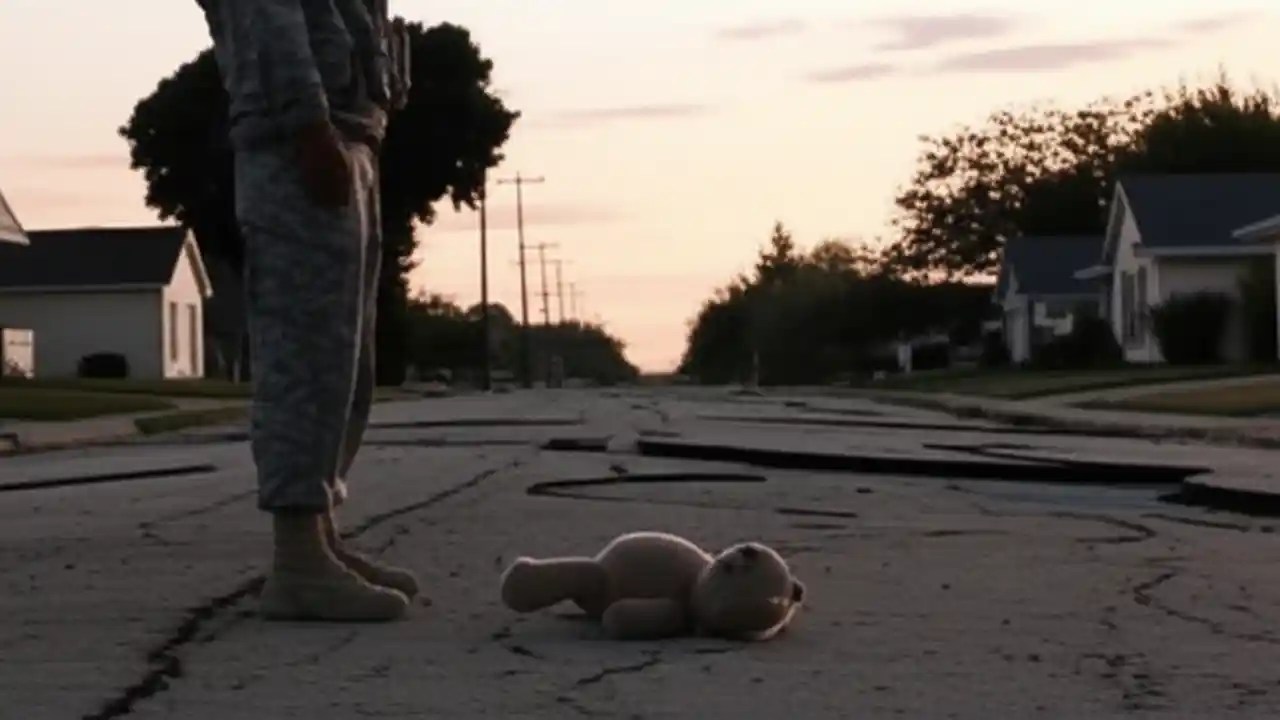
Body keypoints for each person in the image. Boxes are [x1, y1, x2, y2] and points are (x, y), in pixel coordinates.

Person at [196, 0, 416, 621]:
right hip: (299, 143)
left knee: (345, 361)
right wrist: (307, 126)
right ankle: (296, 560)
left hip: (349, 133)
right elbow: (265, 14)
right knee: (305, 352)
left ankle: (320, 539)